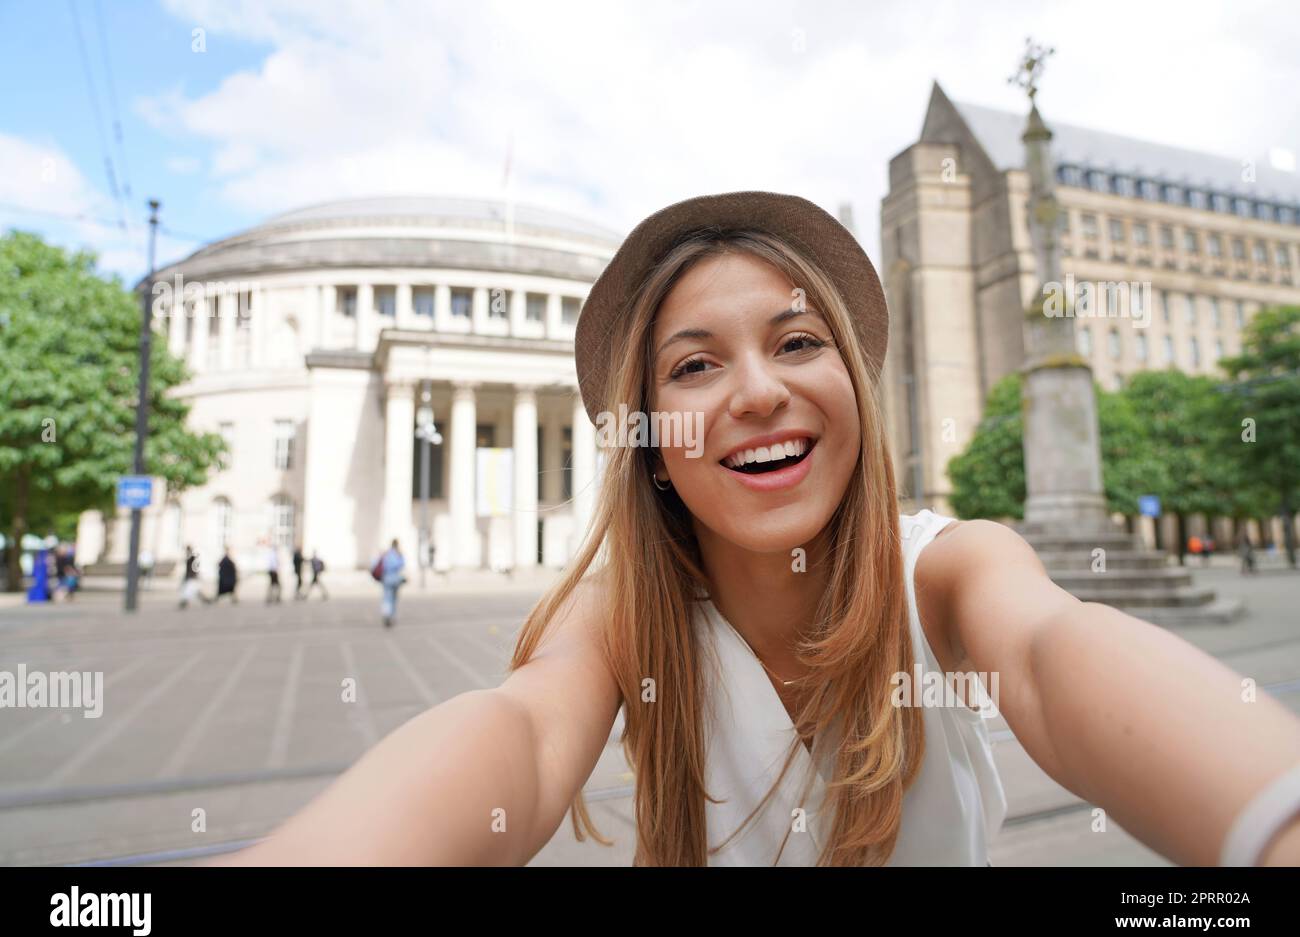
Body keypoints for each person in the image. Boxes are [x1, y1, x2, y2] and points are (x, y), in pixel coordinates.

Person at [222, 191, 1300, 867]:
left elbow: (1054, 652)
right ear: (647, 435)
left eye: (795, 340)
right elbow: (521, 734)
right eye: (694, 364)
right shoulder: (621, 620)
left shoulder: (950, 571)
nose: (756, 391)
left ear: (853, 382)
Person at [376, 539, 405, 627]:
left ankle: (386, 614)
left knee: (386, 598)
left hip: (387, 578)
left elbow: (379, 564)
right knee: (393, 599)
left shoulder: (386, 554)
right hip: (395, 578)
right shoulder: (398, 554)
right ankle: (392, 615)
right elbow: (401, 564)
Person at [264, 539, 282, 604]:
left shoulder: (271, 553)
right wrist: (276, 570)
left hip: (272, 571)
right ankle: (275, 597)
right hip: (273, 571)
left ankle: (270, 597)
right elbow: (274, 564)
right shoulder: (273, 554)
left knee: (272, 585)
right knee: (277, 585)